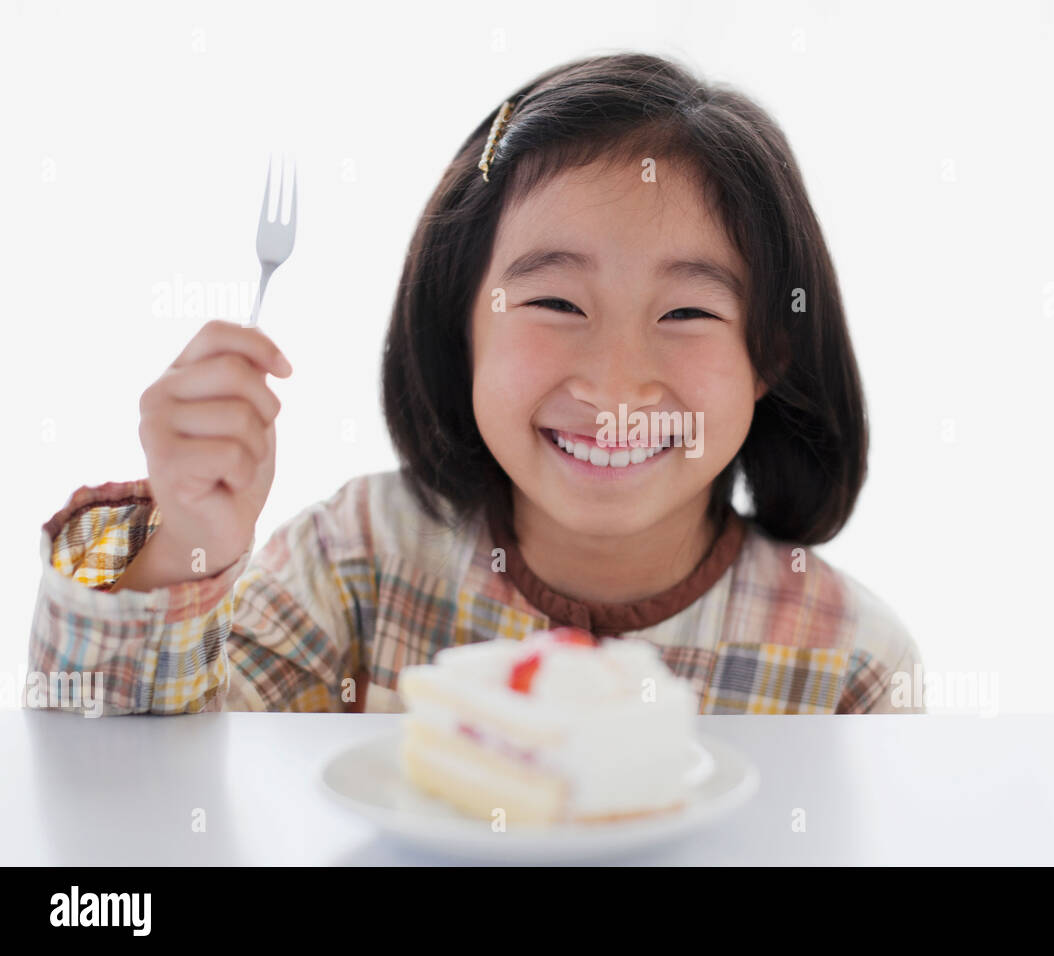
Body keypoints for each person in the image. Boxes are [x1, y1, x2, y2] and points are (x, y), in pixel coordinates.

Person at [27, 52, 924, 716]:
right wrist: (185, 543)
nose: (615, 384)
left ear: (771, 354)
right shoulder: (357, 563)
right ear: (459, 323)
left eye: (687, 314)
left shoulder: (850, 667)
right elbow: (120, 815)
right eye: (556, 302)